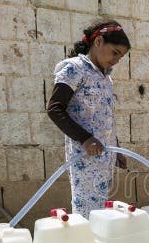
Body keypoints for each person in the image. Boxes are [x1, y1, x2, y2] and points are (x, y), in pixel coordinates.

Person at [47, 19, 131, 218]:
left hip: (105, 157)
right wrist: (85, 138)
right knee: (87, 212)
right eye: (115, 53)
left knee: (101, 212)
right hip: (84, 158)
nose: (116, 60)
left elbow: (106, 116)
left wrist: (116, 148)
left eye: (121, 57)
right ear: (99, 42)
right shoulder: (74, 69)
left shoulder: (105, 78)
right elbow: (55, 108)